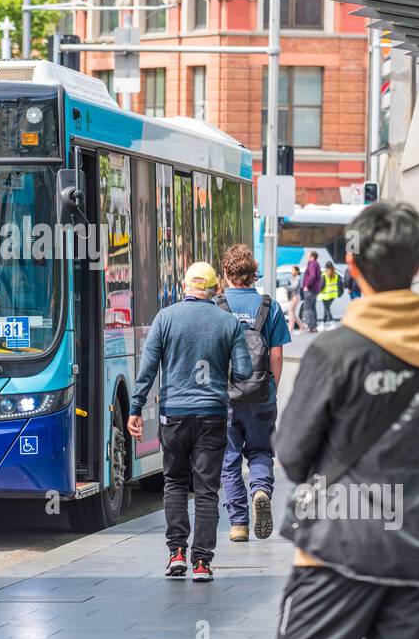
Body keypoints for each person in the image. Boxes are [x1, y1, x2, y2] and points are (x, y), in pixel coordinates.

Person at [270, 202, 419, 639]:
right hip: (417, 552)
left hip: (336, 548)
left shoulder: (335, 353)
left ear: (353, 265)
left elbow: (293, 457)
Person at [128, 261, 251, 583]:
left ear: (185, 287)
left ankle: (176, 553)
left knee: (174, 482)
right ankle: (202, 562)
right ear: (215, 290)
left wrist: (135, 408)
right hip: (211, 415)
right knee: (207, 490)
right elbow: (244, 372)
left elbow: (148, 367)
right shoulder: (229, 323)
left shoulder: (165, 318)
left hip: (174, 415)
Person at [216, 244, 291, 542]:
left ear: (227, 272)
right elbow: (277, 355)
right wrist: (272, 386)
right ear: (252, 274)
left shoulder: (217, 305)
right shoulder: (268, 306)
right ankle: (260, 490)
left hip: (227, 396)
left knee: (229, 458)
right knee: (260, 451)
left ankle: (238, 524)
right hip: (261, 395)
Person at [300, 251, 322, 333]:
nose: (306, 256)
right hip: (314, 290)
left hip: (310, 290)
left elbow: (312, 275)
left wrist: (307, 286)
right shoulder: (316, 263)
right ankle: (313, 327)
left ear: (312, 256)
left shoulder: (312, 263)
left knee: (308, 308)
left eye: (308, 255)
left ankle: (311, 326)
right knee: (312, 307)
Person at [319, 261, 342, 326]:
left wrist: (318, 291)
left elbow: (322, 285)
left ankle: (332, 322)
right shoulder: (335, 274)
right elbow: (339, 285)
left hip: (325, 294)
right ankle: (323, 323)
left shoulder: (324, 275)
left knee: (327, 309)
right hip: (332, 294)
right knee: (326, 309)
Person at [286, 265, 307, 333]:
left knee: (291, 311)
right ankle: (302, 326)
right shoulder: (292, 277)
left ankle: (291, 328)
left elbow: (294, 287)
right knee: (292, 313)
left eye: (293, 270)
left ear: (297, 271)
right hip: (293, 296)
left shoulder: (298, 278)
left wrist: (286, 287)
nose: (292, 271)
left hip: (296, 296)